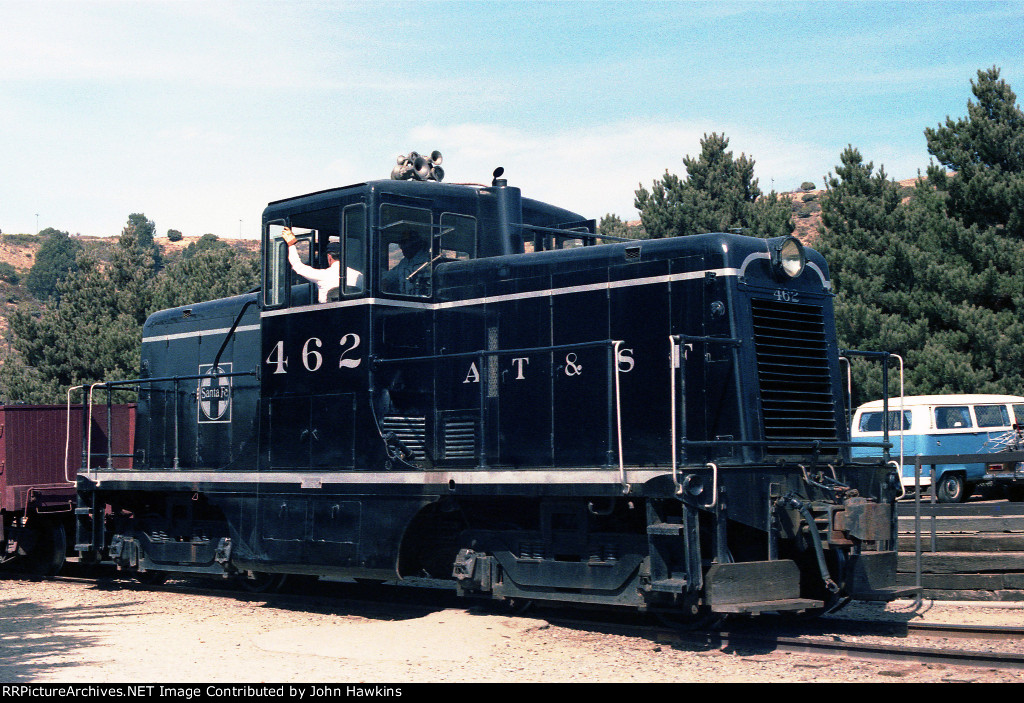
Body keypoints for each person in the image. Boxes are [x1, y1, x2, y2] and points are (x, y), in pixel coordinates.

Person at [282, 227, 362, 303]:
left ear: (329, 257)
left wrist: (291, 245)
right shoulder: (359, 276)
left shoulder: (323, 275)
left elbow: (298, 267)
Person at [382, 229, 430, 295]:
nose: (402, 247)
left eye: (405, 243)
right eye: (400, 244)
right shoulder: (403, 263)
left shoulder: (429, 260)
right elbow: (389, 277)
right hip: (405, 300)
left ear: (415, 243)